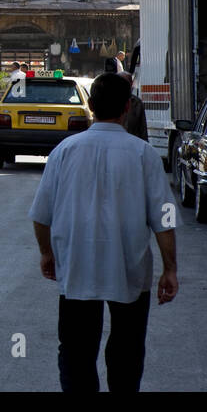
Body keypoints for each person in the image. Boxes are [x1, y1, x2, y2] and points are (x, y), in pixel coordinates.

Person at [28, 73, 177, 392]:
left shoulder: (65, 151)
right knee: (127, 349)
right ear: (127, 107)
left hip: (77, 266)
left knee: (76, 352)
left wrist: (46, 253)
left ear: (91, 105)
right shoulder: (143, 154)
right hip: (131, 269)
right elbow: (164, 219)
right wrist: (170, 269)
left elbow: (41, 216)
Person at [118, 71, 149, 142]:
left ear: (131, 84)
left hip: (132, 144)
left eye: (126, 83)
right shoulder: (108, 101)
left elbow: (142, 128)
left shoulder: (137, 103)